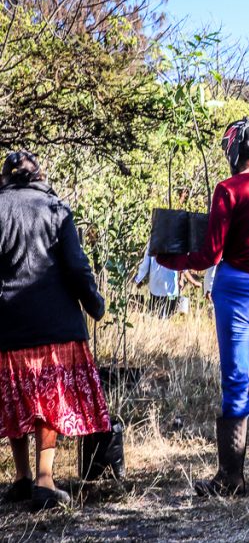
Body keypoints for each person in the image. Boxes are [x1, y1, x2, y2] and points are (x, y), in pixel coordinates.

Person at [157, 118, 249, 498]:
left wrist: (171, 261)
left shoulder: (228, 189)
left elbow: (209, 254)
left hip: (235, 291)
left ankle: (230, 478)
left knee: (236, 381)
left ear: (233, 151)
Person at [0, 151, 110, 510]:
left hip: (8, 328)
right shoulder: (55, 208)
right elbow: (77, 267)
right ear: (39, 176)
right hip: (54, 326)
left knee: (16, 399)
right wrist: (94, 303)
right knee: (47, 400)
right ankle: (45, 479)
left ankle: (21, 478)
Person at [134, 243, 181, 317]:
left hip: (155, 285)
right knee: (170, 313)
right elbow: (181, 261)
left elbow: (145, 264)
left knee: (155, 312)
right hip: (171, 285)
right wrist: (182, 277)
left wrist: (138, 279)